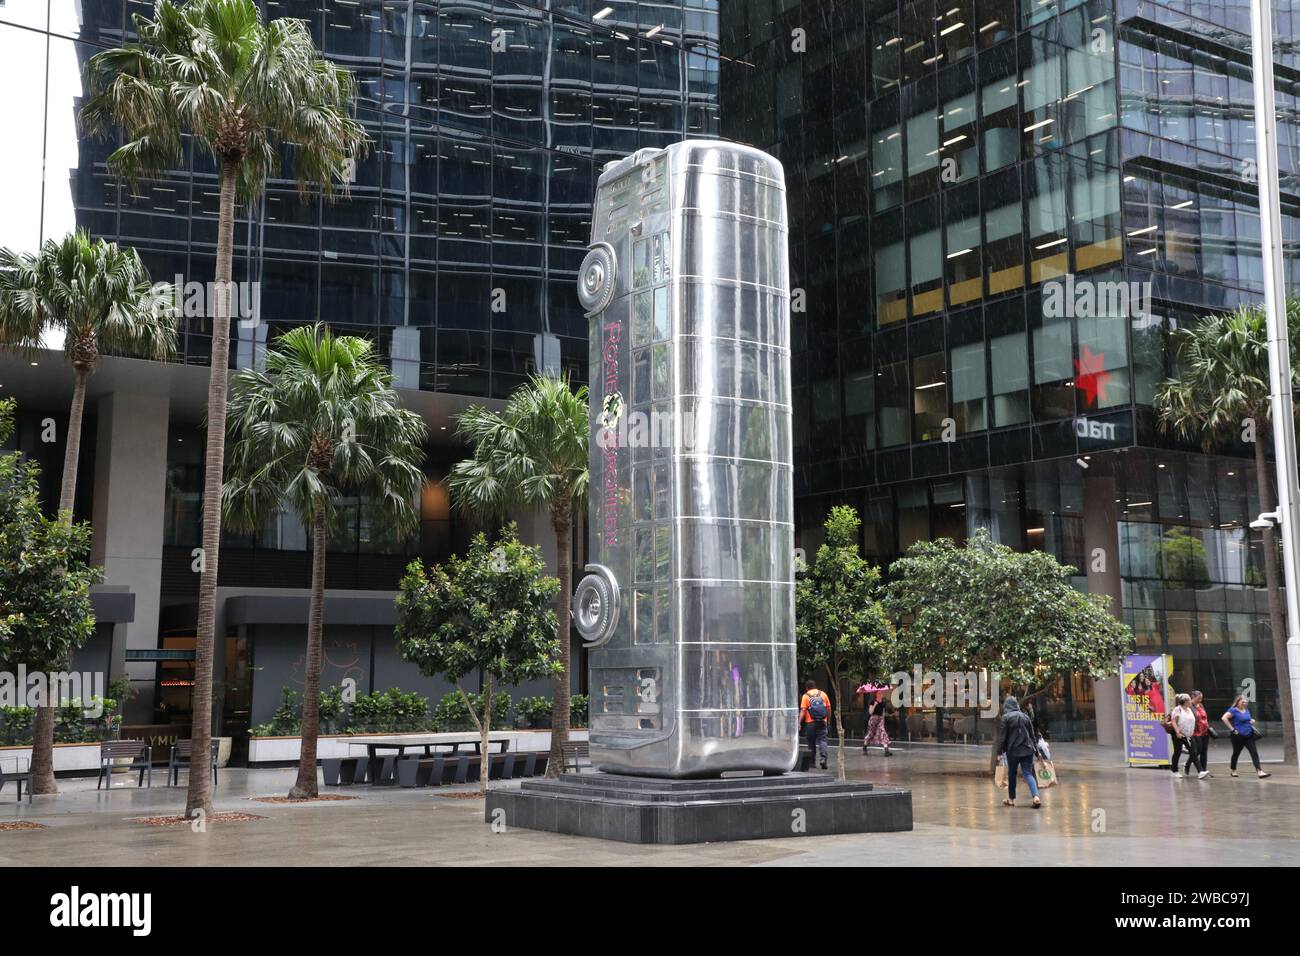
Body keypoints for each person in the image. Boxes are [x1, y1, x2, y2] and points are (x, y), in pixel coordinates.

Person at [996, 696, 1041, 808]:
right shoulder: (1025, 717)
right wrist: (1037, 752)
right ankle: (1036, 797)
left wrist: (999, 752)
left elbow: (1002, 737)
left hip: (1013, 751)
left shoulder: (1006, 718)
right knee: (1028, 773)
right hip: (1027, 749)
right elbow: (1032, 736)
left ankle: (1011, 799)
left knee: (1012, 774)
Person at [1222, 695, 1271, 778]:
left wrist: (1252, 720)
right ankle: (1233, 770)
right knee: (1236, 753)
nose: (1244, 703)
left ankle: (1259, 771)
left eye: (1245, 702)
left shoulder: (1246, 710)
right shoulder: (1233, 710)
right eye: (1242, 702)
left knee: (1254, 752)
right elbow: (1224, 718)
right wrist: (1232, 729)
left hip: (1249, 735)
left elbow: (1247, 719)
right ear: (1238, 702)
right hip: (1238, 736)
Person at [800, 679, 831, 770]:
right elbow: (828, 709)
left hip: (810, 723)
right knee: (823, 740)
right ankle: (823, 758)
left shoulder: (806, 696)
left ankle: (812, 762)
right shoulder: (823, 694)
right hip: (822, 721)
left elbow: (803, 710)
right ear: (815, 686)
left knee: (811, 743)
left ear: (807, 688)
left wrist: (799, 723)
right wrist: (828, 721)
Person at [1169, 694, 1202, 778]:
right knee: (1177, 751)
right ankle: (1174, 770)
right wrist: (1177, 732)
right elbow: (1173, 721)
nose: (1191, 701)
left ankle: (1200, 772)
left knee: (1193, 752)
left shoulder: (1189, 709)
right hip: (1179, 734)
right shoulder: (1178, 709)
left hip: (1188, 735)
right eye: (1189, 700)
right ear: (1185, 702)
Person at [1184, 690, 1212, 779]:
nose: (1200, 700)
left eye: (1201, 698)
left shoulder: (1201, 705)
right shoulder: (1189, 706)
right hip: (1195, 731)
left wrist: (1208, 726)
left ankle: (1204, 770)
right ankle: (1188, 764)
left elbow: (1205, 717)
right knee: (1198, 750)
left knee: (1204, 752)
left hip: (1204, 731)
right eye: (1199, 698)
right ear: (1193, 697)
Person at [862, 692, 892, 757]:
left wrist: (883, 719)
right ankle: (864, 747)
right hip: (873, 719)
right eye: (878, 693)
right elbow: (870, 712)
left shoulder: (883, 702)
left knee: (883, 732)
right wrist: (875, 705)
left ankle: (886, 750)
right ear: (876, 694)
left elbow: (883, 712)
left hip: (880, 719)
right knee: (870, 734)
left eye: (881, 693)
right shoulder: (873, 701)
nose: (880, 694)